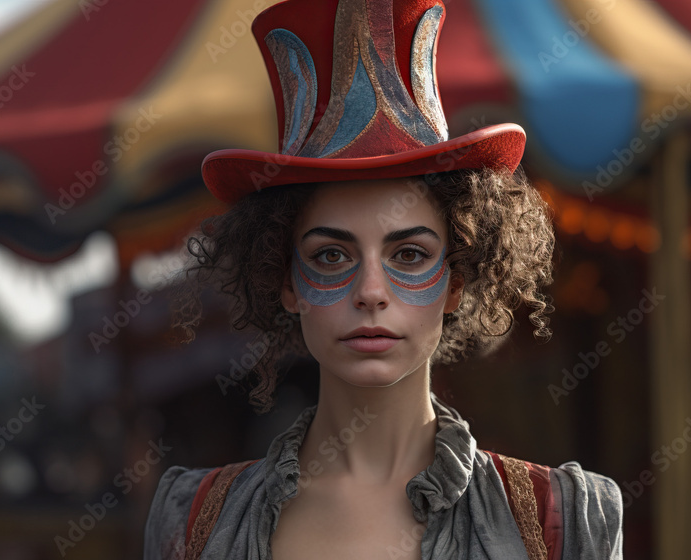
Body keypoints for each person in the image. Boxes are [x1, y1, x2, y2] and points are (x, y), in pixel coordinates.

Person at [144, 0, 623, 558]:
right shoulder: (195, 522)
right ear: (285, 280)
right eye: (330, 257)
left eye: (410, 254)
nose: (370, 292)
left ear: (458, 281)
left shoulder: (561, 521)